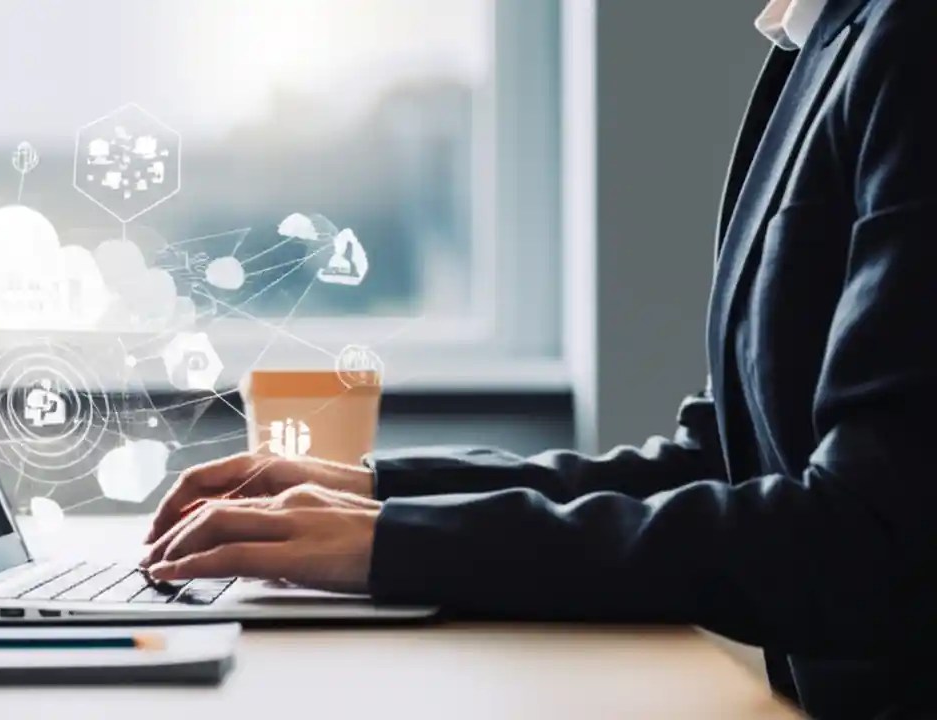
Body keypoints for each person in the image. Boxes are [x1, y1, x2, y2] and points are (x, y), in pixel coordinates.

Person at [141, 0, 937, 716]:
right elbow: (721, 461)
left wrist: (405, 543)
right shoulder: (822, 36)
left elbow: (869, 537)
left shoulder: (910, 41)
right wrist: (376, 495)